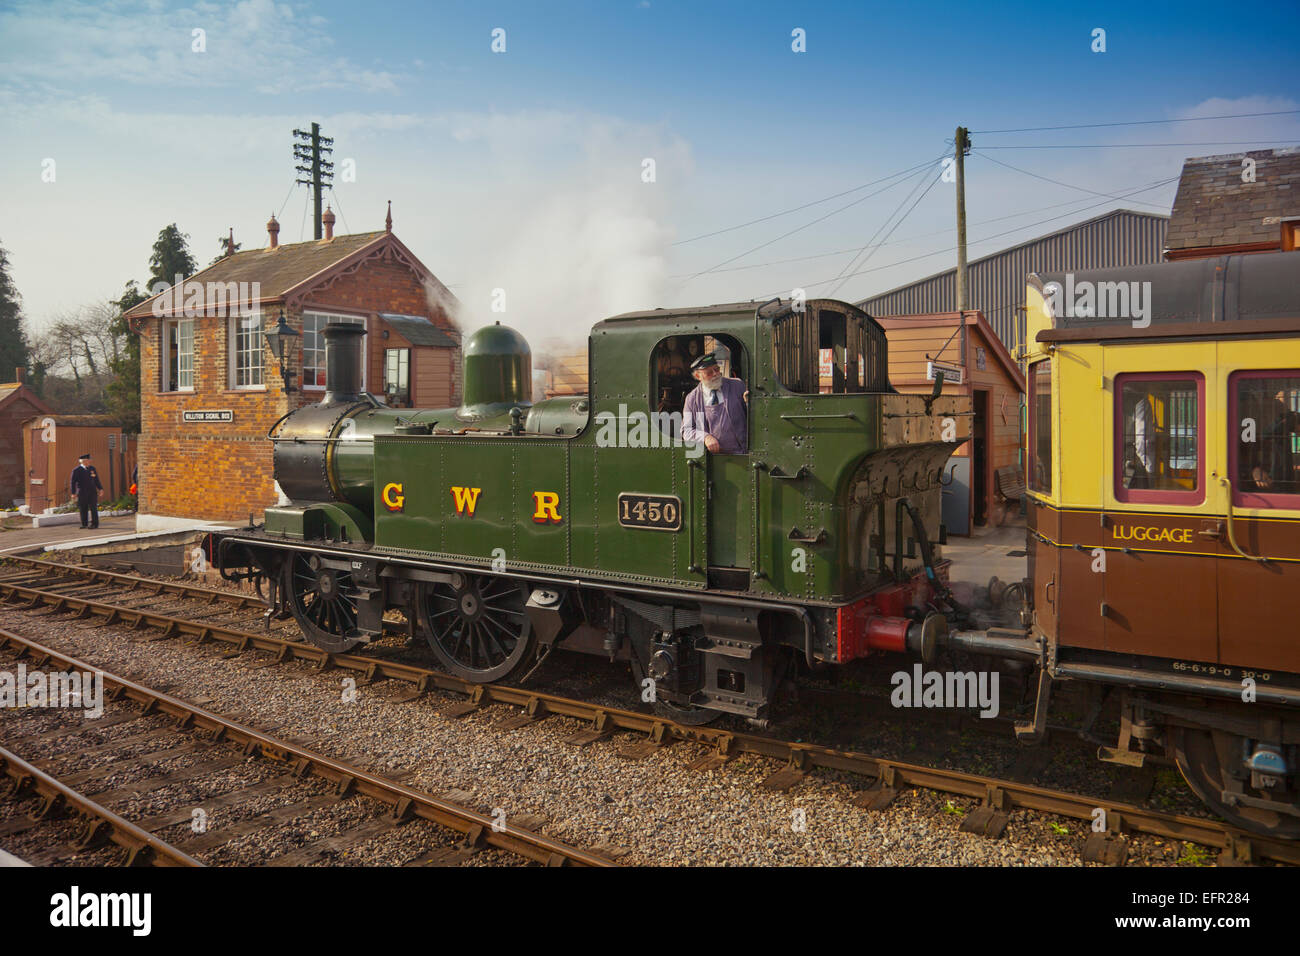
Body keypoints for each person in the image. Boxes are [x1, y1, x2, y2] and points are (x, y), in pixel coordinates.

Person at [681, 353, 748, 454]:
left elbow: (754, 416)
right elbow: (686, 430)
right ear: (698, 376)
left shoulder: (737, 386)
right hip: (714, 459)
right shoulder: (692, 399)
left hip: (742, 454)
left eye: (716, 369)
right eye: (709, 373)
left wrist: (749, 404)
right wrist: (705, 437)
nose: (715, 374)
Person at [69, 453, 103, 529]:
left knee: (93, 508)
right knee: (83, 508)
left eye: (89, 460)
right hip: (82, 492)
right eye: (88, 460)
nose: (90, 461)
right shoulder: (76, 470)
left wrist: (100, 488)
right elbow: (72, 482)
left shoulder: (92, 469)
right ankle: (84, 524)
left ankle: (94, 524)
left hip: (92, 492)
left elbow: (96, 480)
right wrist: (73, 493)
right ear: (83, 461)